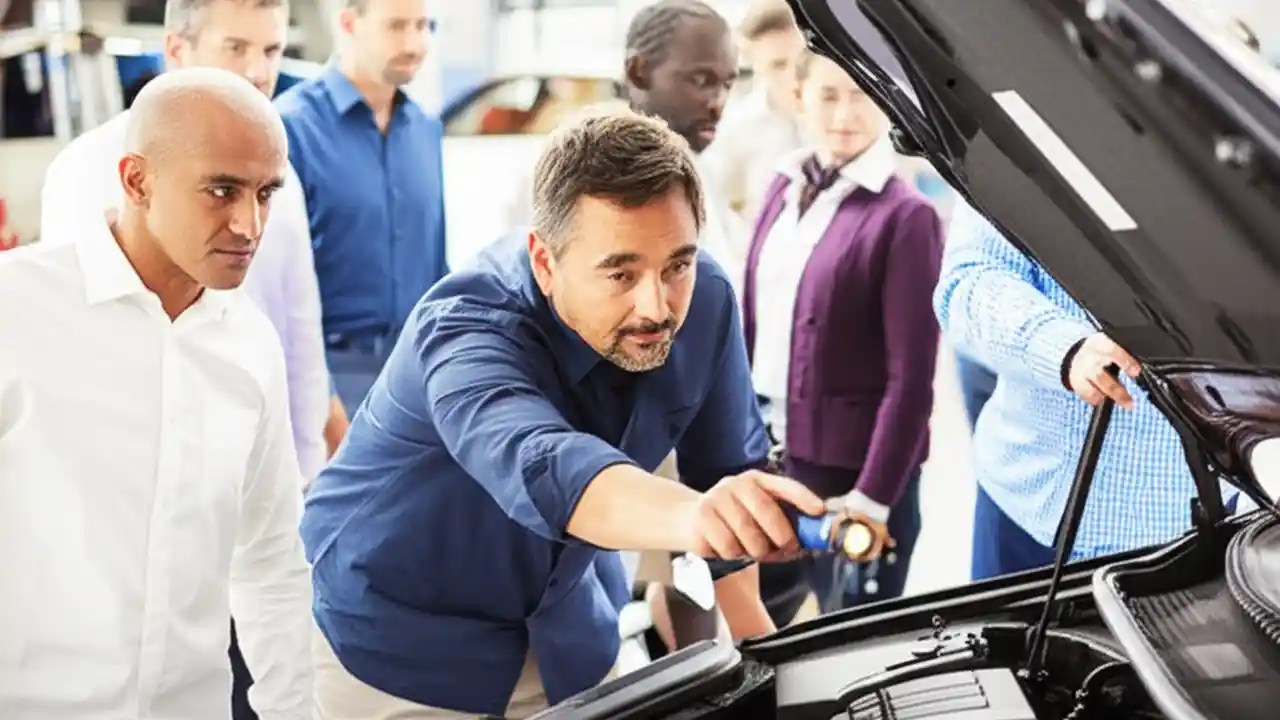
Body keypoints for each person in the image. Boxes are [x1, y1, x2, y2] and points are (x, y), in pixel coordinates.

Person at [301, 107, 826, 719]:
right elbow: (553, 468)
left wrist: (762, 653)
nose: (656, 306)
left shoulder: (704, 297)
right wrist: (702, 518)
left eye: (676, 264)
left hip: (570, 634)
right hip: (401, 649)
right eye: (620, 273)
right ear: (545, 262)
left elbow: (725, 474)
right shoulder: (464, 331)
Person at [0, 67, 312, 719]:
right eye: (221, 190)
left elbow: (272, 563)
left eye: (265, 193)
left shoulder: (250, 345)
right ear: (137, 180)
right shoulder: (15, 311)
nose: (249, 224)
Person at [39, 0, 334, 484]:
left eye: (272, 49)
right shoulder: (85, 169)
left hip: (247, 460)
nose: (258, 71)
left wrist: (305, 475)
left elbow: (298, 334)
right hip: (126, 463)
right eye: (236, 48)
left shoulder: (285, 180)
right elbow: (70, 336)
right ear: (176, 48)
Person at [744, 51, 942, 612]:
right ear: (799, 98)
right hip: (773, 459)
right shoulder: (780, 188)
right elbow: (752, 327)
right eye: (829, 95)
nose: (845, 113)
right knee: (761, 635)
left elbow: (912, 381)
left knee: (846, 653)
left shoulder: (907, 216)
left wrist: (873, 499)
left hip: (855, 478)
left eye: (862, 95)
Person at [935, 201, 1219, 579]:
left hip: (1196, 527)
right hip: (1031, 505)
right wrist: (1061, 348)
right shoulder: (1019, 143)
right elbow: (968, 281)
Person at [275, 0, 449, 413]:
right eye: (397, 26)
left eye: (424, 26)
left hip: (416, 371)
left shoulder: (425, 128)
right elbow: (273, 285)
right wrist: (320, 400)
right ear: (349, 23)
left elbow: (435, 262)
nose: (415, 43)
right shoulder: (290, 128)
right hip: (325, 376)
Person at [701, 0, 805, 228]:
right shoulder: (736, 131)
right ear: (753, 63)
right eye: (778, 65)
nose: (792, 77)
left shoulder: (843, 121)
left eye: (800, 62)